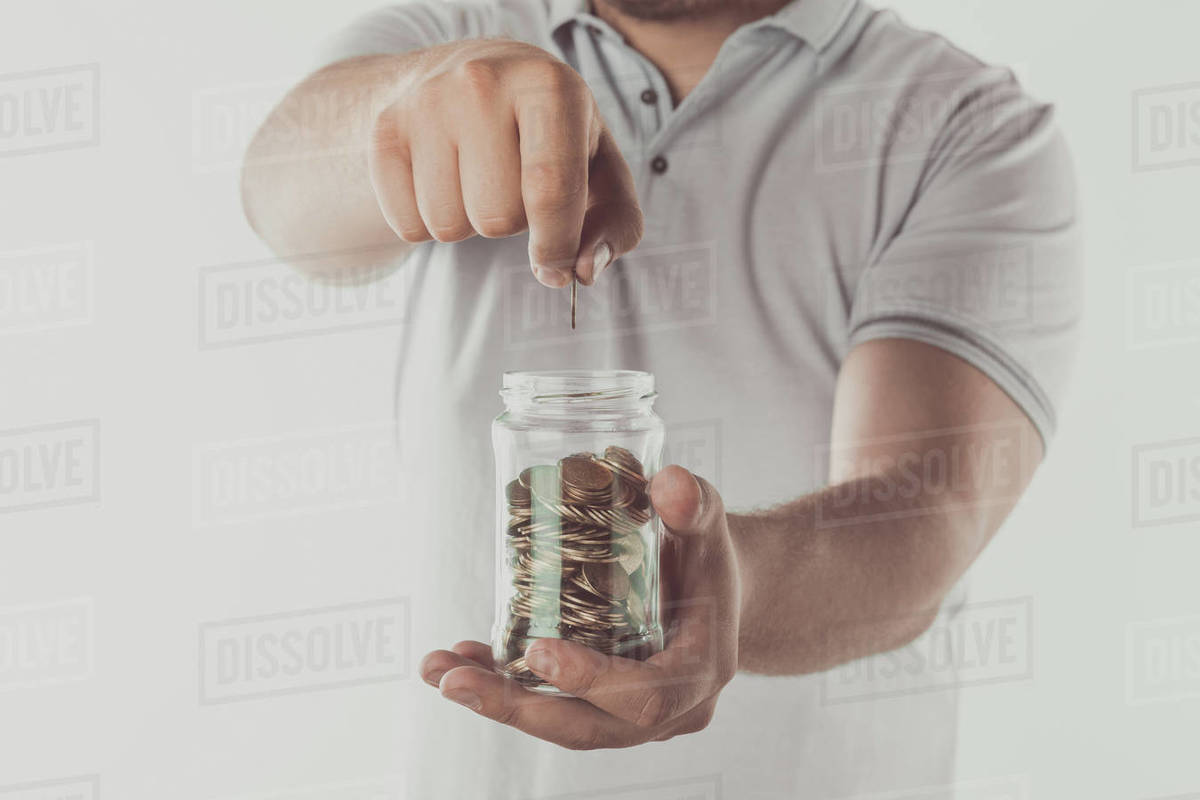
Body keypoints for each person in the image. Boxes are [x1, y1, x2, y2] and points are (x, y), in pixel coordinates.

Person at [241, 0, 1081, 796]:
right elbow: (279, 192)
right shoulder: (457, 26)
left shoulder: (972, 127)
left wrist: (724, 585)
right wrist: (422, 100)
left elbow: (922, 519)